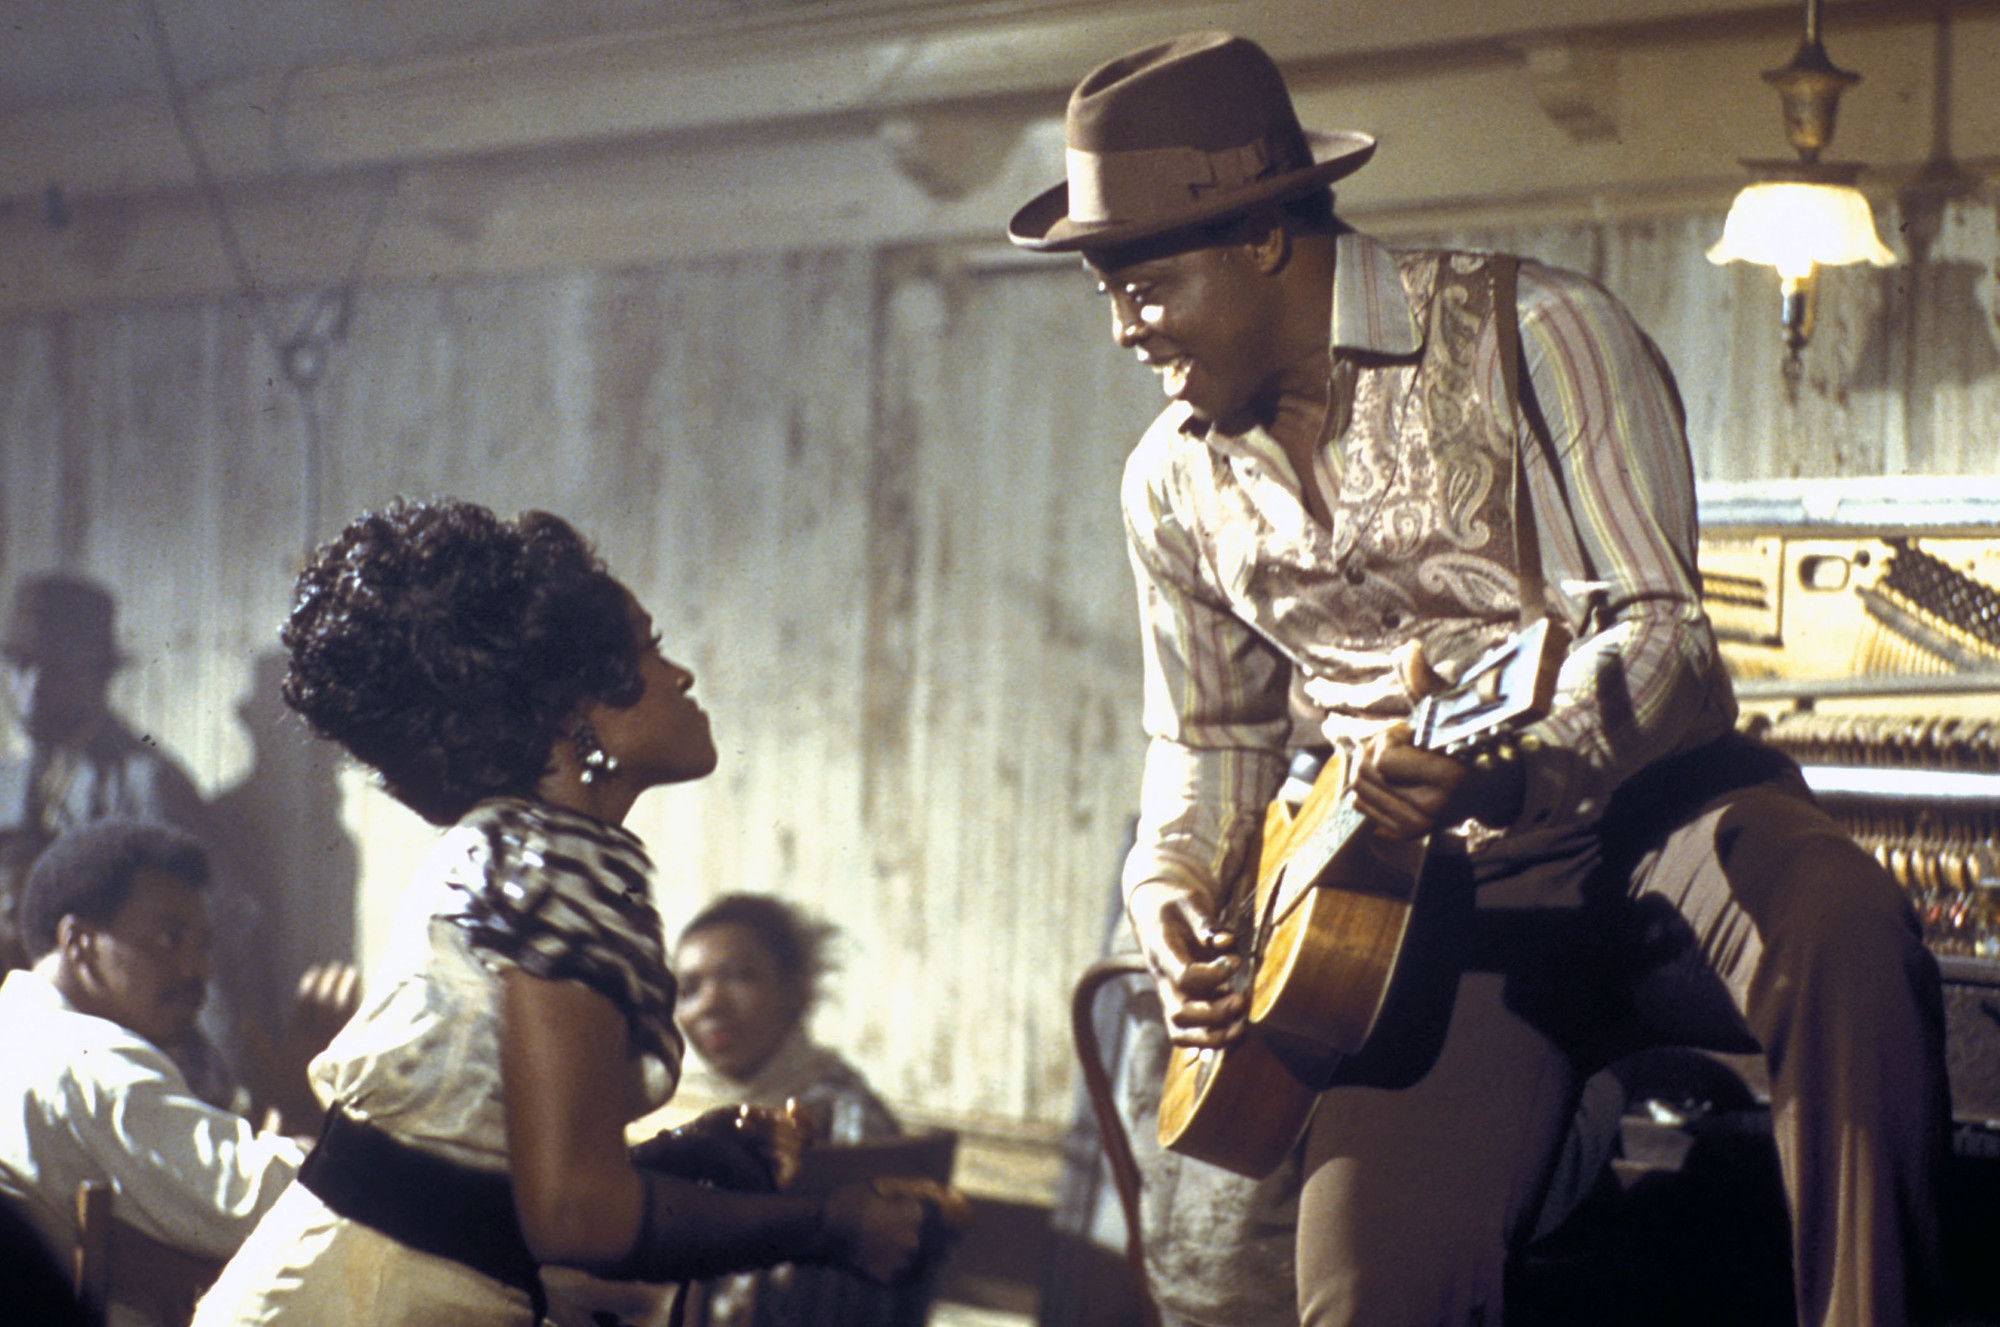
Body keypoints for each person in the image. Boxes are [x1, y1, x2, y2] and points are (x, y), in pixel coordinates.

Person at [1007, 31, 1949, 1327]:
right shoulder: (1168, 480)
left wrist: (1512, 760)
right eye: (1106, 290)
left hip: (1660, 815)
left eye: (1144, 281)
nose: (1122, 329)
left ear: (1265, 237)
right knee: (1365, 1289)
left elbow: (1667, 637)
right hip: (1423, 901)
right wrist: (1171, 884)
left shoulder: (1543, 329)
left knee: (1841, 918)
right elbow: (1210, 737)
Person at [193, 498, 966, 1326]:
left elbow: (483, 1168)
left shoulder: (512, 847)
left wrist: (683, 1155)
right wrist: (828, 1224)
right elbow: (571, 1215)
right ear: (574, 714)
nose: (680, 676)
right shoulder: (559, 867)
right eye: (650, 649)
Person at [0, 818, 306, 1326]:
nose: (199, 970)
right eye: (170, 938)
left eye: (203, 945)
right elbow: (269, 1202)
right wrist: (310, 1102)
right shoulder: (88, 1056)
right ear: (77, 942)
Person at [0, 573, 265, 1113]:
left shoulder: (149, 780)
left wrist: (222, 1092)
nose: (31, 688)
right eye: (21, 666)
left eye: (55, 670)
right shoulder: (11, 776)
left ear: (99, 677)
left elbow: (208, 937)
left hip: (117, 1064)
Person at [675, 894, 900, 1146]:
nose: (711, 1005)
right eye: (688, 989)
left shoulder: (844, 1117)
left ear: (795, 988)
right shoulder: (679, 1111)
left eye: (740, 976)